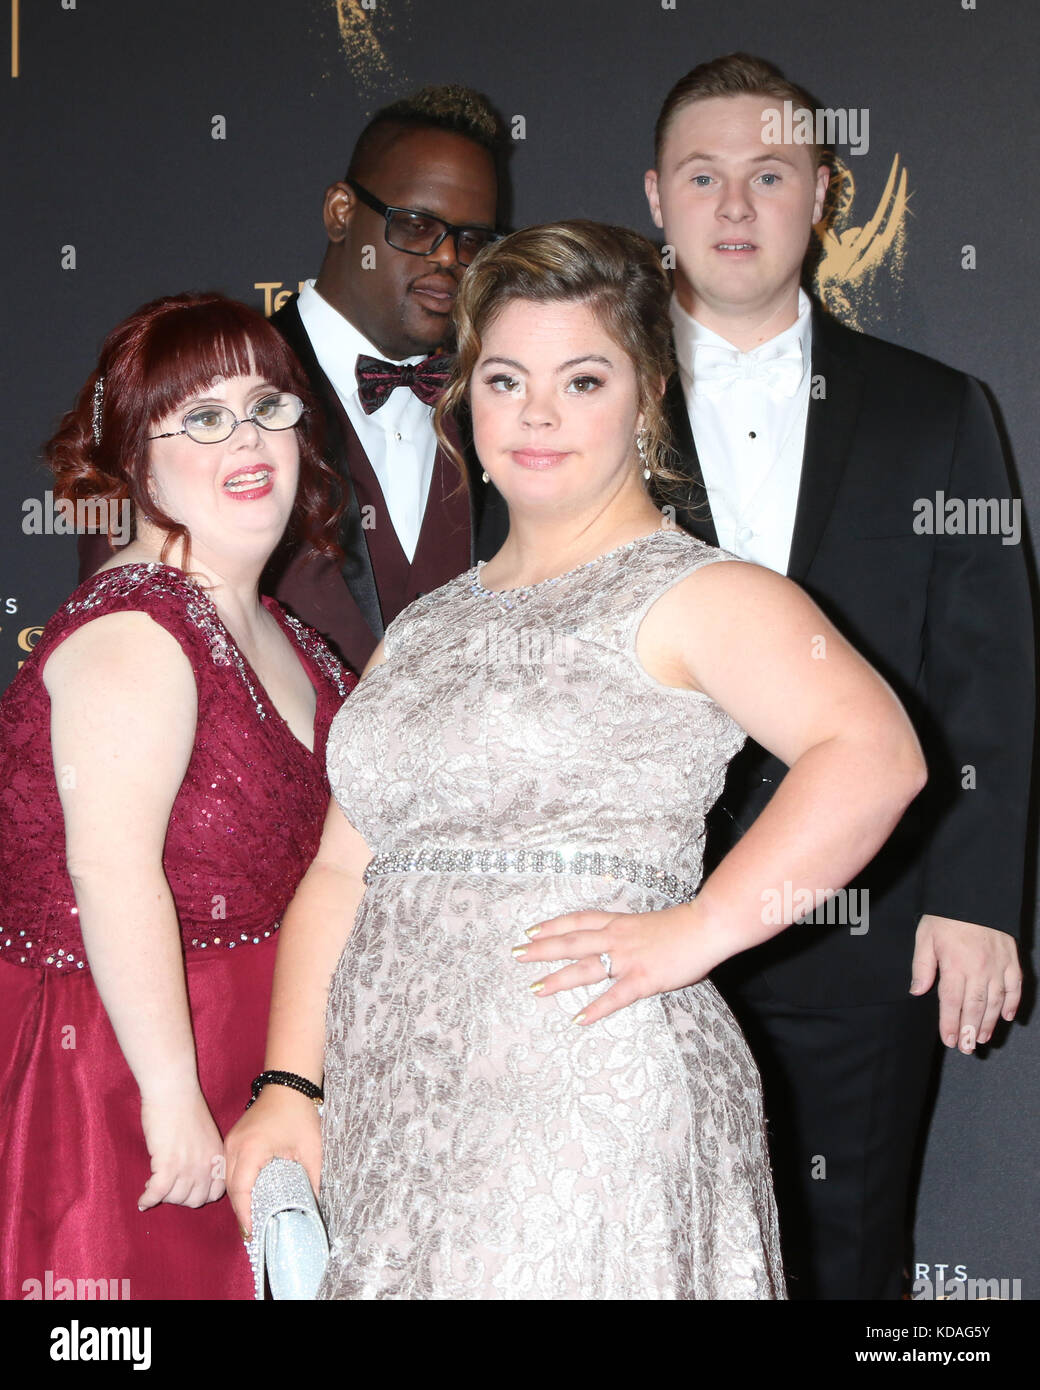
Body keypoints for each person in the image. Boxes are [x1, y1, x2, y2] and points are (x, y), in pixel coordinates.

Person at [224, 221, 927, 1301]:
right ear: (466, 396)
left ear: (646, 393)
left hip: (586, 1100)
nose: (536, 413)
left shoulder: (701, 592)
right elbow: (340, 871)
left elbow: (874, 755)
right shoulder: (424, 628)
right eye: (504, 379)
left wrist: (696, 930)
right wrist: (288, 1082)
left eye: (580, 378)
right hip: (394, 1117)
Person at [643, 53, 1034, 1299]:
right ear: (655, 197)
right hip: (634, 917)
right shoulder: (581, 407)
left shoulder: (938, 411)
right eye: (704, 176)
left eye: (769, 174)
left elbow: (989, 676)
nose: (736, 207)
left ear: (824, 192)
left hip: (867, 930)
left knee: (844, 1264)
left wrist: (976, 897)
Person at [0, 293, 355, 1300]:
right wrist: (167, 1098)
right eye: (201, 417)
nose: (248, 438)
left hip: (265, 1064)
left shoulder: (293, 636)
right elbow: (109, 872)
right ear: (132, 458)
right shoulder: (134, 633)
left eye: (268, 406)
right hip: (119, 1073)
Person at [78, 86, 511, 675]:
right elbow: (121, 636)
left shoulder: (500, 406)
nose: (447, 259)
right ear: (339, 212)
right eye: (414, 225)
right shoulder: (198, 389)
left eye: (472, 240)